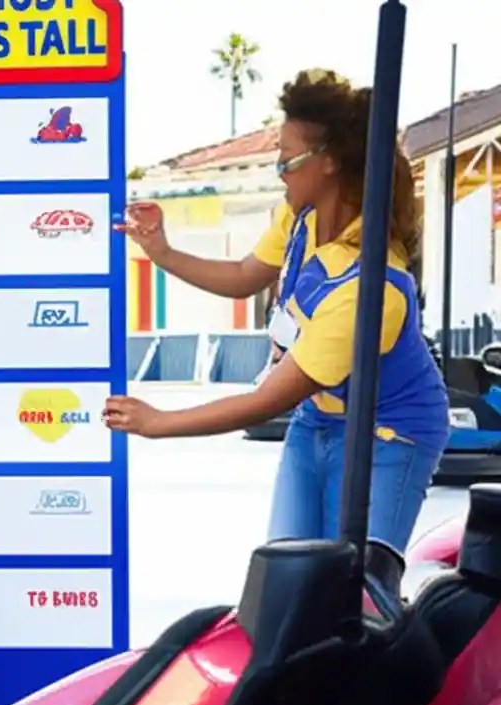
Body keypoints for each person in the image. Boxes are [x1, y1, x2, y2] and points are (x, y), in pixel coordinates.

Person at [105, 69, 449, 554]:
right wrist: (161, 252)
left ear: (328, 163)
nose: (279, 172)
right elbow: (246, 275)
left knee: (358, 588)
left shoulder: (371, 289)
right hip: (319, 417)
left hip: (390, 433)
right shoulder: (299, 217)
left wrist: (160, 422)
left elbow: (267, 401)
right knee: (288, 571)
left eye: (287, 160)